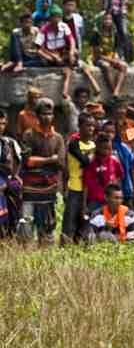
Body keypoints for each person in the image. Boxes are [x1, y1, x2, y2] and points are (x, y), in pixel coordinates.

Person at [17, 98, 65, 245]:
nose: (47, 117)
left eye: (49, 114)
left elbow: (61, 162)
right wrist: (50, 159)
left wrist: (42, 161)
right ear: (37, 116)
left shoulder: (57, 138)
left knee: (47, 230)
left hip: (49, 189)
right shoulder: (29, 135)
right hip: (30, 189)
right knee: (26, 227)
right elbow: (28, 162)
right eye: (43, 114)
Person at [61, 113, 96, 244]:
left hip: (89, 190)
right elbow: (85, 161)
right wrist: (90, 156)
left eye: (93, 125)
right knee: (70, 219)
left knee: (85, 220)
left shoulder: (93, 145)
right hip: (74, 187)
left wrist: (90, 157)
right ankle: (65, 244)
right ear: (80, 126)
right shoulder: (73, 143)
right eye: (88, 125)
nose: (91, 128)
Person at [33, 5, 77, 99]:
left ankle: (67, 66)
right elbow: (39, 48)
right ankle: (59, 65)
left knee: (74, 54)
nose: (56, 19)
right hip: (49, 52)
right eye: (54, 17)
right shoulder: (44, 29)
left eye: (58, 17)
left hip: (62, 52)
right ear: (50, 18)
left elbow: (71, 40)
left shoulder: (64, 26)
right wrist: (53, 56)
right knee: (44, 57)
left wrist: (71, 53)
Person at [83, 132, 123, 212]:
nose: (108, 151)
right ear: (98, 147)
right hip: (95, 202)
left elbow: (119, 178)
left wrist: (118, 197)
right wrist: (83, 205)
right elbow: (85, 185)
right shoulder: (91, 162)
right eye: (105, 148)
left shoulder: (114, 161)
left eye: (110, 148)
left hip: (111, 202)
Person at [90, 12, 128, 96]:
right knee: (106, 66)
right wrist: (111, 60)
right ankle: (113, 92)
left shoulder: (114, 34)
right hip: (99, 59)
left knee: (123, 66)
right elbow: (97, 55)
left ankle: (116, 91)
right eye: (105, 19)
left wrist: (116, 58)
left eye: (110, 19)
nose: (108, 21)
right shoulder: (96, 34)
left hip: (111, 57)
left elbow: (115, 50)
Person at [0, 111, 22, 238]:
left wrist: (15, 176)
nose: (0, 127)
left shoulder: (9, 143)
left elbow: (18, 161)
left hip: (6, 181)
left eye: (3, 124)